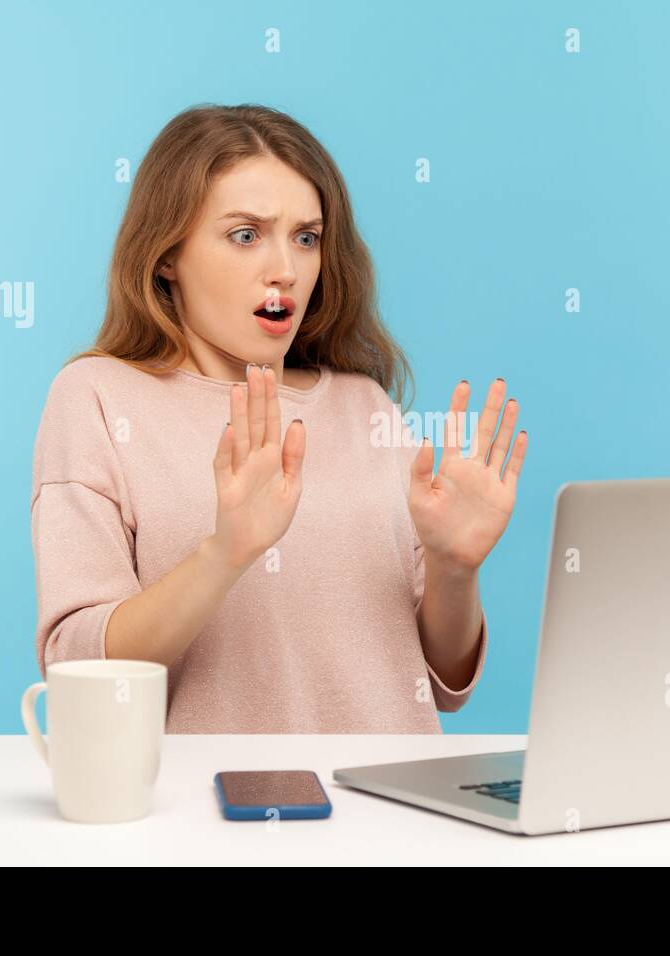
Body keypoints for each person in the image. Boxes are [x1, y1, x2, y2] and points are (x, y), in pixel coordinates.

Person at [31, 104, 528, 733]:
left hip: (389, 814)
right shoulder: (97, 397)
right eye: (245, 235)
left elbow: (443, 681)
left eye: (306, 237)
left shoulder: (364, 407)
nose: (286, 271)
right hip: (207, 816)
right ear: (165, 256)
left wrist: (456, 570)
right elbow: (78, 664)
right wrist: (225, 554)